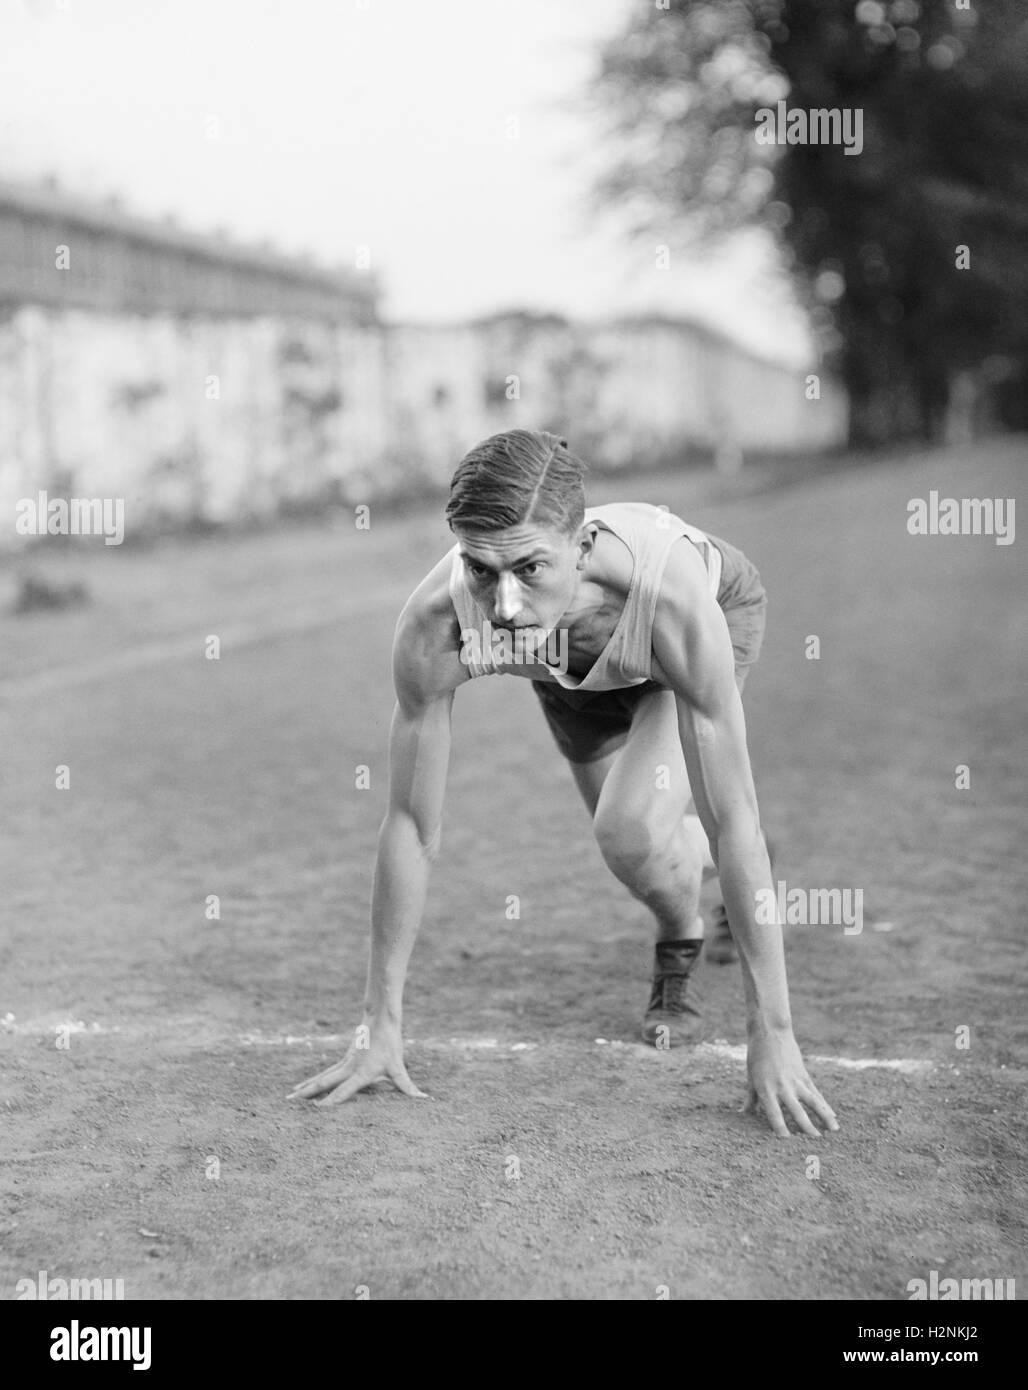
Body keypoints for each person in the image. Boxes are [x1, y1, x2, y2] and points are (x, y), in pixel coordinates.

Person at [291, 430, 838, 1138]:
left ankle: (682, 936)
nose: (506, 606)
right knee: (629, 854)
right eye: (481, 571)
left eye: (529, 567)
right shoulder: (439, 624)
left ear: (580, 549)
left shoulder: (670, 596)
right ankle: (687, 889)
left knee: (631, 826)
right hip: (566, 670)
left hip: (684, 635)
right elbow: (410, 825)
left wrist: (776, 1033)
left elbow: (735, 817)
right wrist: (378, 1026)